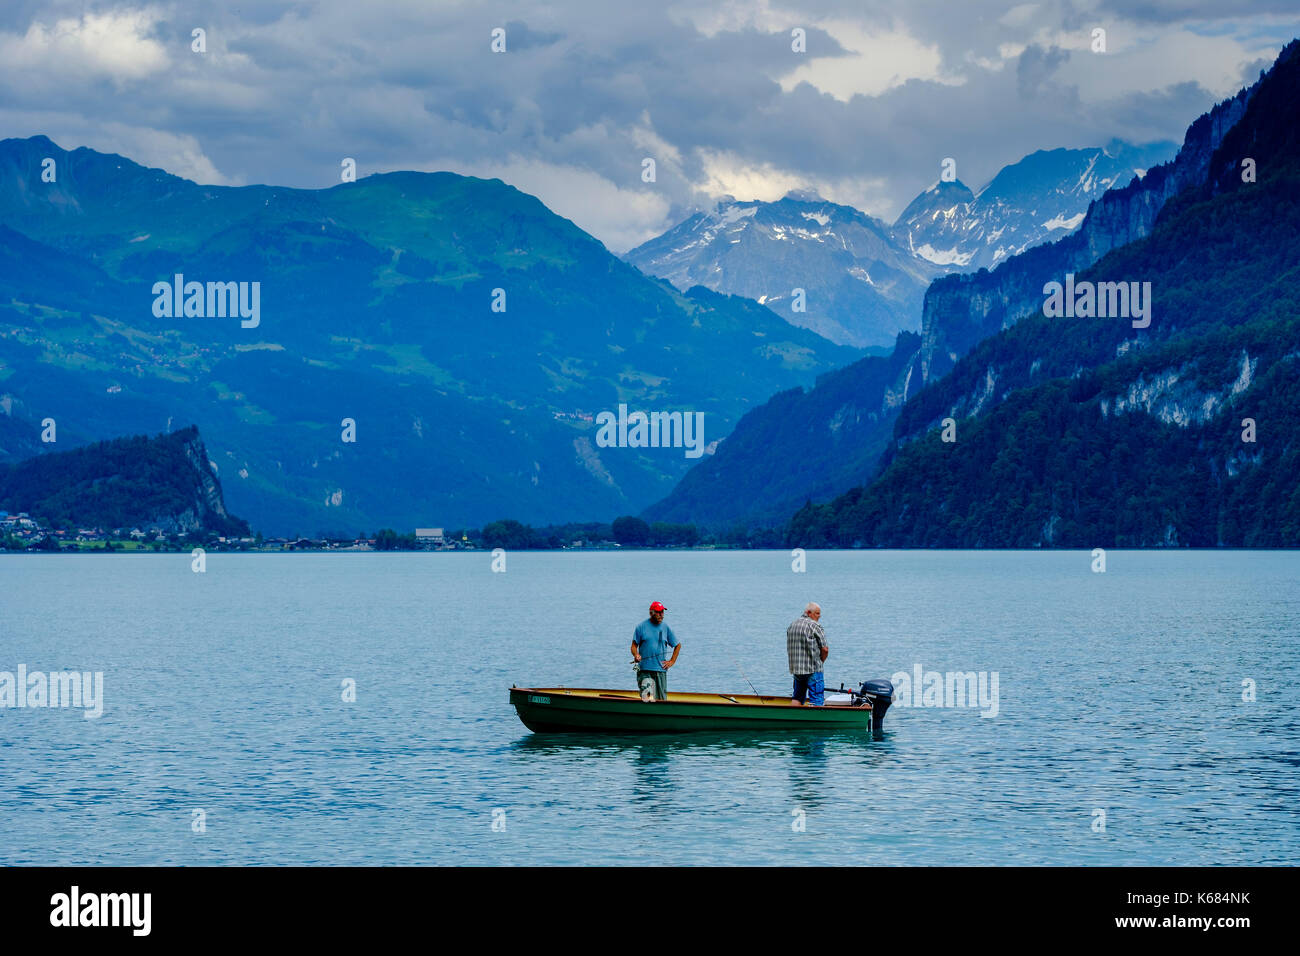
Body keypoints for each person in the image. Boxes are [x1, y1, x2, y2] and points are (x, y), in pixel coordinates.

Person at [631, 601, 680, 701]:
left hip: (660, 670)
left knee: (661, 700)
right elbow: (633, 646)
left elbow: (677, 645)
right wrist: (636, 654)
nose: (661, 614)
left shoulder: (666, 627)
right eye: (658, 612)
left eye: (662, 612)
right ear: (651, 613)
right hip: (645, 670)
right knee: (647, 698)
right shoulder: (641, 627)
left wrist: (672, 661)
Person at [786, 602, 828, 706]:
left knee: (797, 698)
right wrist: (821, 661)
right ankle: (817, 721)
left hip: (797, 670)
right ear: (809, 612)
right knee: (817, 699)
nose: (819, 616)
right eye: (817, 613)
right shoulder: (814, 626)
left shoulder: (792, 625)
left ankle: (794, 720)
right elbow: (825, 649)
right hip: (813, 669)